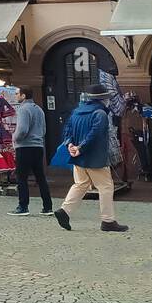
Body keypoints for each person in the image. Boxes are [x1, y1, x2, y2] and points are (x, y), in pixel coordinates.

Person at [54, 84, 128, 233]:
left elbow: (67, 131)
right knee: (106, 187)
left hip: (77, 157)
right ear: (102, 99)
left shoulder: (76, 112)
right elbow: (95, 135)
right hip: (95, 158)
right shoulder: (100, 114)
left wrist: (71, 146)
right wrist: (81, 148)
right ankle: (108, 220)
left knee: (80, 184)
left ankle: (64, 210)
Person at [9, 88, 52, 216]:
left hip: (24, 147)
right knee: (41, 177)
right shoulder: (39, 109)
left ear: (23, 95)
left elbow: (22, 130)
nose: (15, 96)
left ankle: (23, 206)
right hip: (38, 147)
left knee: (21, 177)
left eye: (17, 94)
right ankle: (47, 207)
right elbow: (43, 129)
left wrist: (14, 138)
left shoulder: (23, 109)